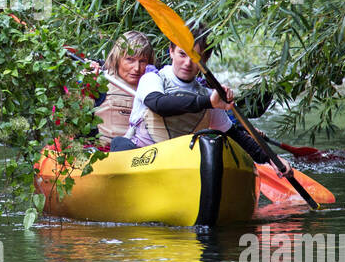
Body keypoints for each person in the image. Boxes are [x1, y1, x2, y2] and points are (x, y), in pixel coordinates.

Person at [111, 20, 281, 166]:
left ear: (205, 60)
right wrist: (208, 102)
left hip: (181, 164)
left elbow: (234, 135)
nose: (187, 63)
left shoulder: (208, 94)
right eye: (182, 54)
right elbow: (159, 105)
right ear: (171, 51)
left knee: (213, 146)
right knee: (119, 143)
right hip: (143, 159)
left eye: (195, 57)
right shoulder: (152, 79)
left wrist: (272, 160)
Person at [90, 31, 154, 150]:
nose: (136, 68)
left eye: (142, 61)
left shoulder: (156, 85)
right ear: (117, 58)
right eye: (130, 59)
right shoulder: (101, 82)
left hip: (144, 158)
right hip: (109, 155)